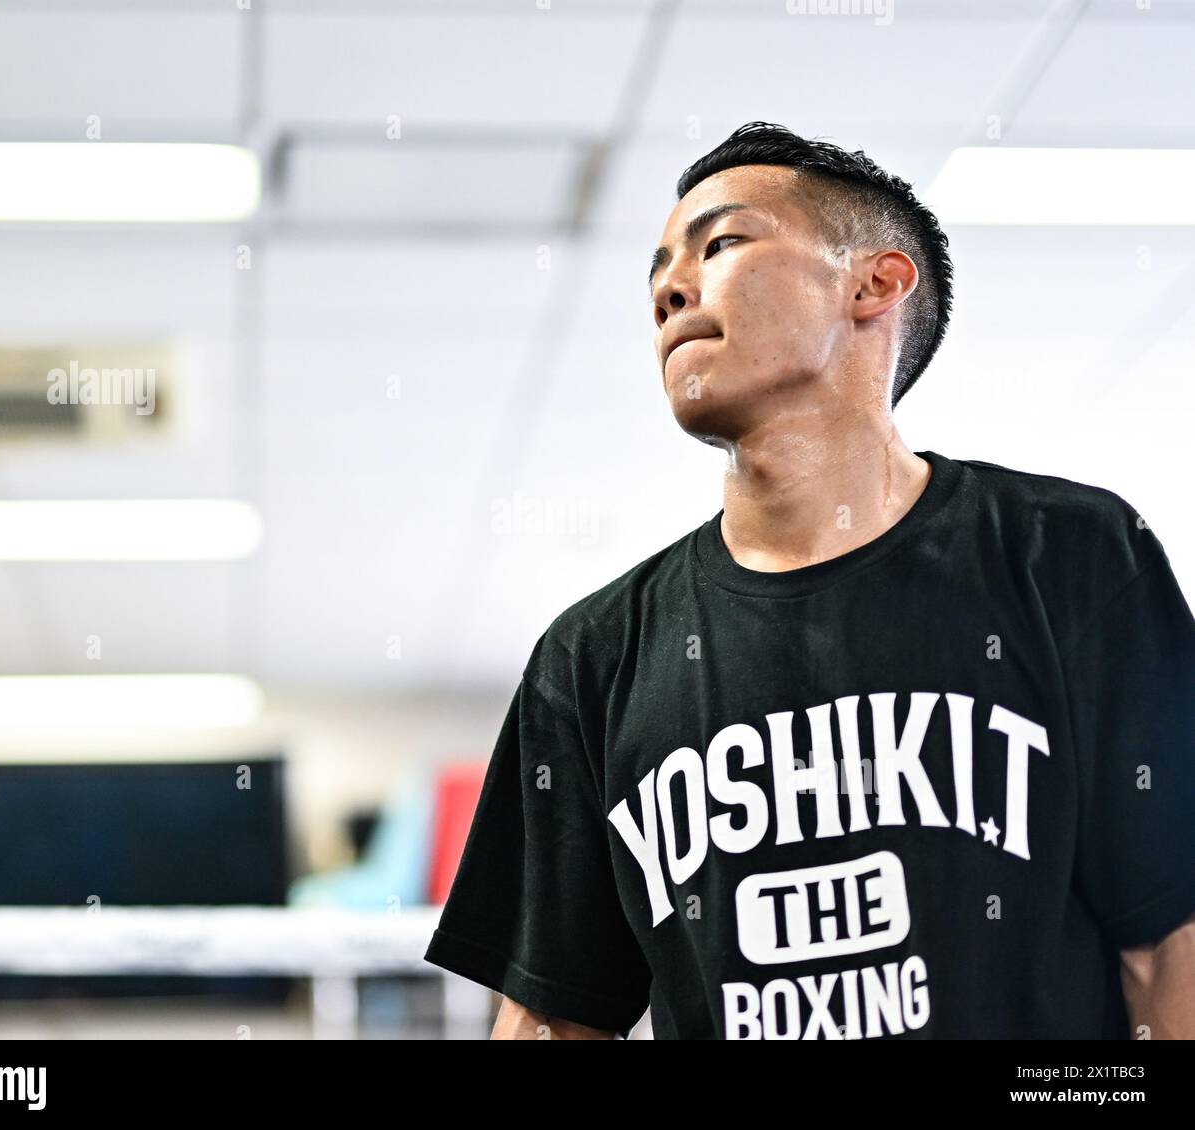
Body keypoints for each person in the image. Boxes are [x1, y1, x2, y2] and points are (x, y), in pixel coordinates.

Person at [422, 121, 1195, 1040]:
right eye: (660, 274)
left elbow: (1169, 948)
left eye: (722, 243)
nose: (671, 288)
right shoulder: (593, 657)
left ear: (875, 282)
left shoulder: (1067, 555)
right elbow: (552, 1016)